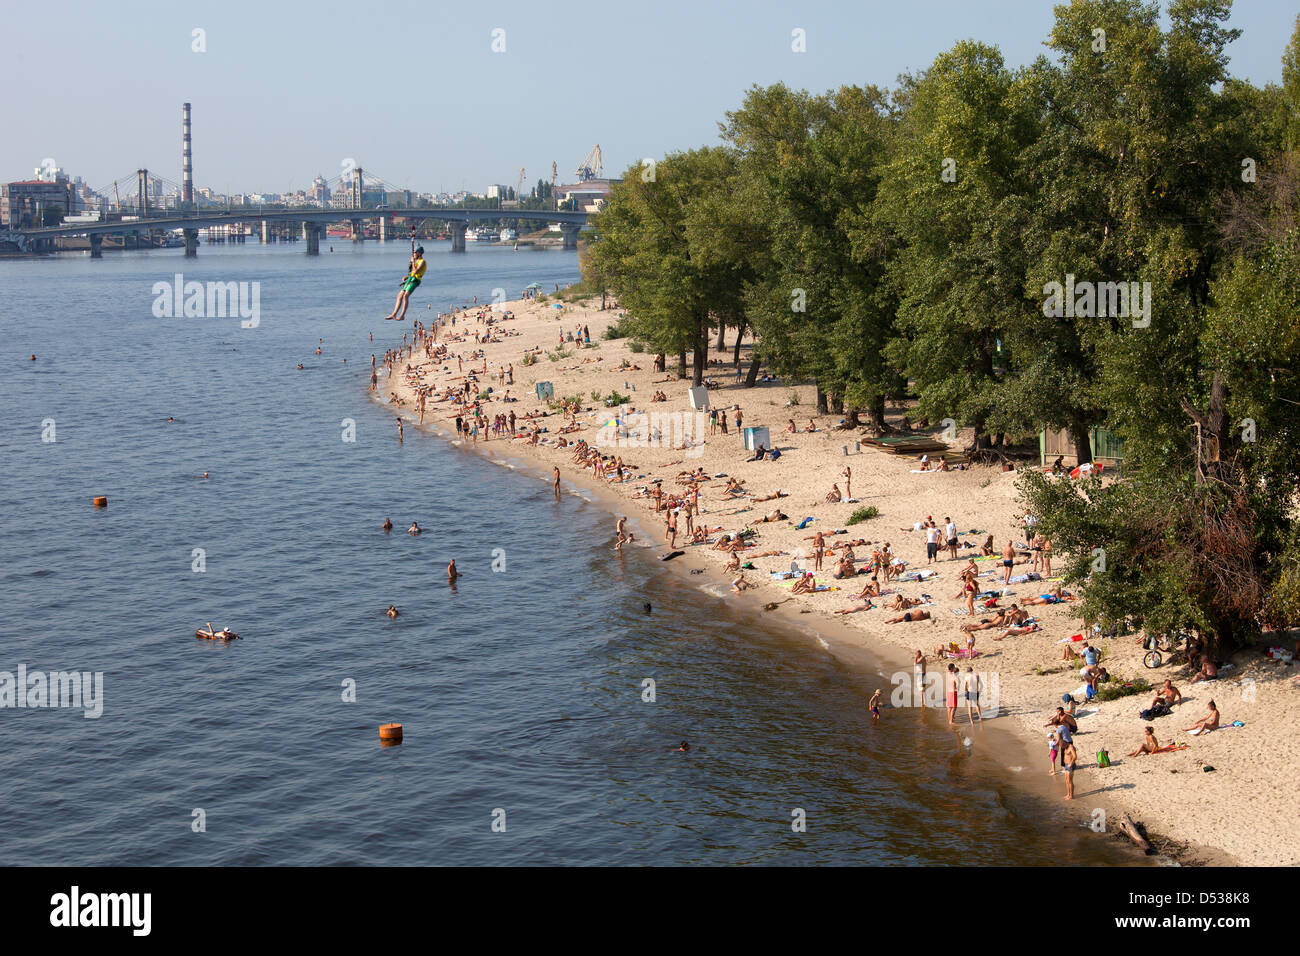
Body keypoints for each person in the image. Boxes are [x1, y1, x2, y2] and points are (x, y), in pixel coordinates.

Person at [384, 247, 427, 321]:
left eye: (415, 253)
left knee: (405, 296)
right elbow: (413, 272)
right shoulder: (417, 261)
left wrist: (413, 262)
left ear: (419, 253)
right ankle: (394, 314)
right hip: (411, 279)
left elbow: (416, 271)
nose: (414, 255)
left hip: (416, 280)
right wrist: (407, 277)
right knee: (399, 295)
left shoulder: (422, 262)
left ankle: (402, 315)